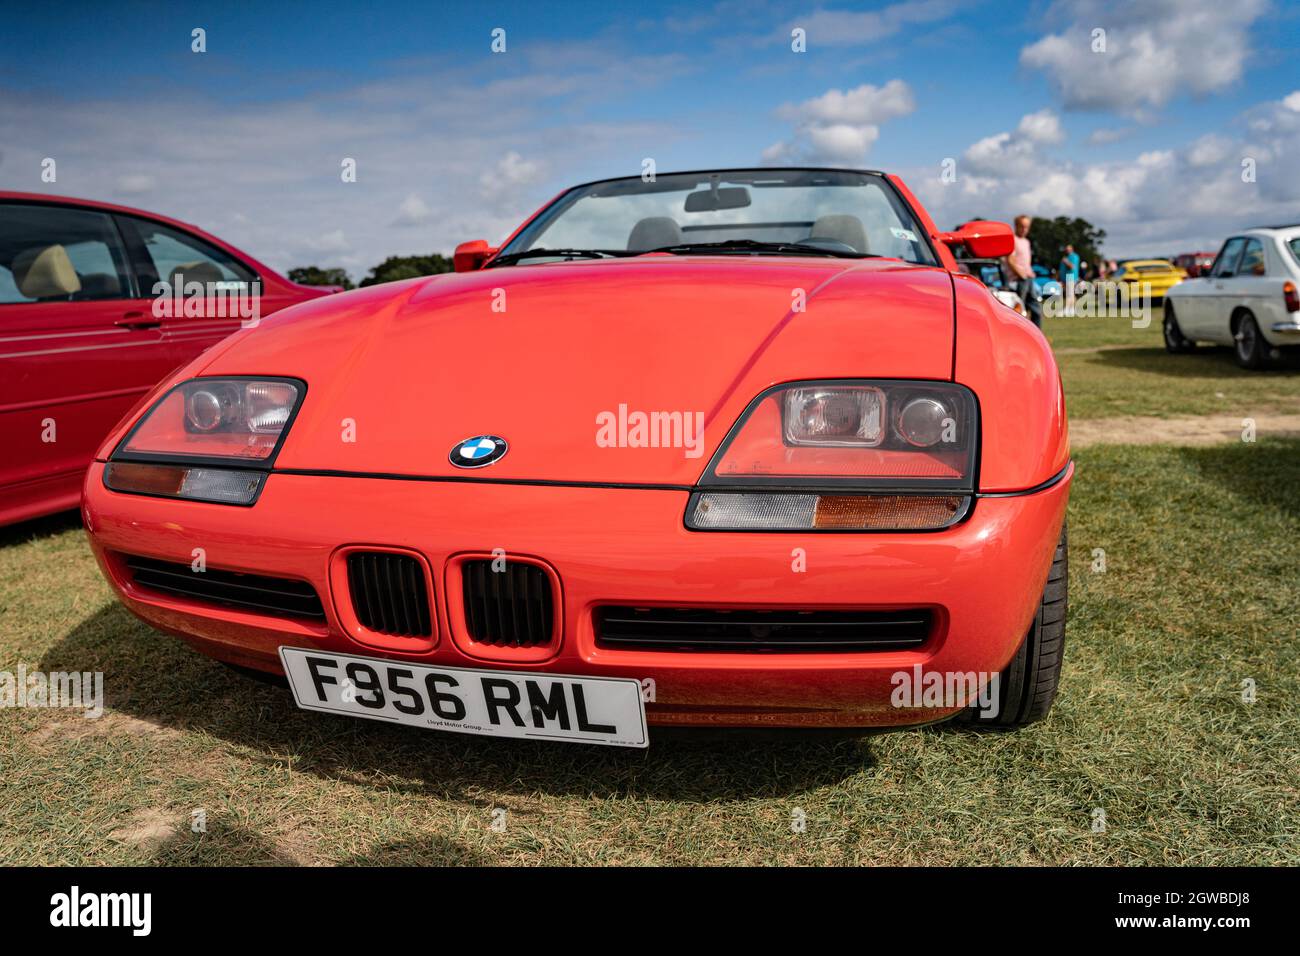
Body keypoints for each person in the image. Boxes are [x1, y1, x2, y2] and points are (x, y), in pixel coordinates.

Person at [1004, 214, 1041, 327]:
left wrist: (1028, 274)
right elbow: (1010, 260)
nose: (1025, 229)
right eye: (1022, 226)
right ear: (1016, 226)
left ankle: (1037, 336)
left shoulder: (1026, 242)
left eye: (1027, 227)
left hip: (1028, 279)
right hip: (1018, 280)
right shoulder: (1012, 240)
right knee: (1020, 311)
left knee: (1036, 310)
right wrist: (1021, 275)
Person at [1058, 244, 1081, 315]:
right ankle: (1072, 309)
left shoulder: (1074, 256)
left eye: (1068, 249)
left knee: (1069, 293)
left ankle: (1067, 309)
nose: (1067, 250)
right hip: (1067, 277)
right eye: (1066, 249)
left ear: (1072, 249)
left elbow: (1071, 266)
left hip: (1071, 276)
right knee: (1071, 294)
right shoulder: (1068, 256)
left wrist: (1065, 261)